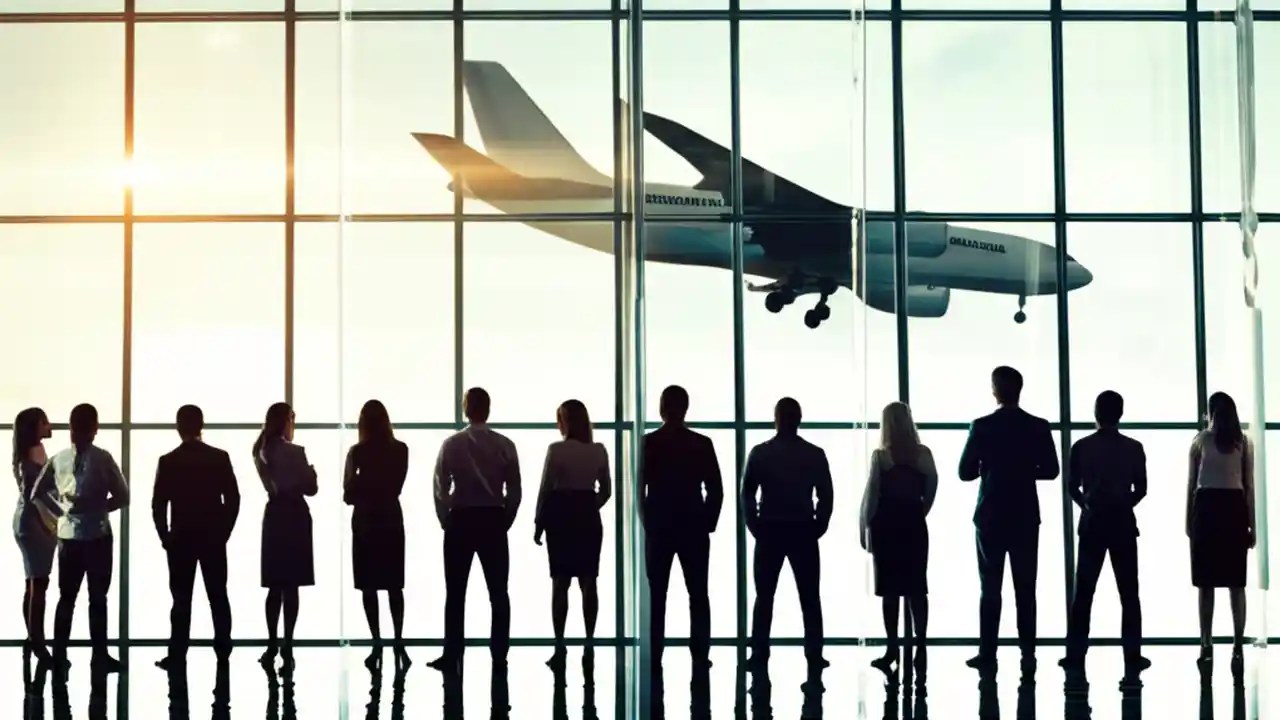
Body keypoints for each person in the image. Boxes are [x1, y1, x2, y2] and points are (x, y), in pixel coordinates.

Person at [958, 366, 1059, 673]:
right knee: (1026, 587)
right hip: (1025, 514)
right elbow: (1052, 470)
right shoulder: (1038, 426)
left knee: (990, 587)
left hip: (990, 514)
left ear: (995, 391)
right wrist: (1026, 471)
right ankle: (1028, 652)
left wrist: (987, 469)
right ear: (1019, 389)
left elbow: (965, 472)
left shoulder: (982, 426)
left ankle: (987, 652)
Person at [30, 403, 129, 672]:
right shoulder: (103, 458)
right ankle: (100, 656)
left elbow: (36, 493)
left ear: (71, 428)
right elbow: (123, 496)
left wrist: (60, 514)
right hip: (97, 535)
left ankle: (59, 655)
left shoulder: (59, 459)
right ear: (95, 429)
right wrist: (98, 507)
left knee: (67, 598)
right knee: (98, 599)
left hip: (68, 537)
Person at [1060, 391, 1150, 679]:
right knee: (1129, 594)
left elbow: (1072, 487)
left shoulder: (1081, 447)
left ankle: (1075, 655)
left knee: (1084, 593)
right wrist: (1124, 502)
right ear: (1120, 414)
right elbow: (1142, 489)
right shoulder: (1134, 448)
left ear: (1095, 413)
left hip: (1092, 525)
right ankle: (1132, 656)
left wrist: (1087, 504)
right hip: (1122, 523)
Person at [431, 387, 522, 672]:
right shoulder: (505, 444)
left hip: (461, 519)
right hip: (492, 519)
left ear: (465, 409)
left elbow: (440, 486)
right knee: (498, 591)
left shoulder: (451, 444)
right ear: (488, 408)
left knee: (455, 591)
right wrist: (506, 517)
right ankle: (499, 653)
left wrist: (445, 517)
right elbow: (515, 488)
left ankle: (453, 652)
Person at [742, 397, 832, 670]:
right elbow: (826, 494)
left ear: (776, 419)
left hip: (769, 528)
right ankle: (814, 655)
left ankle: (759, 654)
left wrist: (754, 525)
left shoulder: (760, 452)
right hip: (803, 529)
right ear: (799, 419)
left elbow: (747, 492)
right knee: (809, 598)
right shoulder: (814, 453)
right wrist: (819, 524)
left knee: (764, 597)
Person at [640, 385, 723, 671]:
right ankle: (700, 654)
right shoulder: (701, 443)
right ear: (685, 408)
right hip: (693, 525)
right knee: (698, 593)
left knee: (656, 594)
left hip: (660, 526)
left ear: (661, 408)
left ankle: (655, 653)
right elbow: (716, 489)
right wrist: (707, 522)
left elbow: (639, 490)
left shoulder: (648, 443)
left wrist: (647, 522)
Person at [152, 404, 241, 669]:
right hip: (212, 536)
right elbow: (233, 498)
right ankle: (223, 650)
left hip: (180, 538)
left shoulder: (168, 461)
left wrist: (165, 537)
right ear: (201, 425)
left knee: (181, 600)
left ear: (179, 427)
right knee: (218, 595)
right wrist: (224, 531)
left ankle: (177, 653)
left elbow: (158, 504)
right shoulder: (218, 457)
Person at [859, 401, 937, 678]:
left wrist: (864, 528)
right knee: (917, 587)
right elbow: (931, 489)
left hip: (887, 525)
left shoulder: (881, 456)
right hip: (914, 523)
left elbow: (872, 496)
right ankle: (921, 645)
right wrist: (918, 511)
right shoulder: (923, 454)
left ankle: (892, 648)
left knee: (889, 591)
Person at [534, 399, 612, 668]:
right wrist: (589, 505)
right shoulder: (599, 450)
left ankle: (560, 645)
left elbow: (545, 489)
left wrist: (539, 522)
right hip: (588, 517)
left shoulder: (556, 449)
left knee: (560, 583)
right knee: (589, 582)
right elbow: (606, 490)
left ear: (564, 422)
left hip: (561, 516)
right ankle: (589, 644)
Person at [1187, 391, 1255, 672]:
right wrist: (1252, 524)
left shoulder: (1200, 441)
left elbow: (1192, 484)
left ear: (1210, 412)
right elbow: (1248, 486)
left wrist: (1188, 520)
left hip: (1207, 509)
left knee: (1206, 584)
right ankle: (1238, 645)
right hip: (1233, 510)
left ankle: (1206, 643)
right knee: (1236, 583)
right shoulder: (1243, 442)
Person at [343, 399, 410, 672]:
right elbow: (397, 486)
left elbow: (347, 494)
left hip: (366, 519)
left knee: (368, 585)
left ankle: (377, 642)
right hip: (391, 518)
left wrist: (362, 483)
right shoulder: (401, 450)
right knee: (394, 584)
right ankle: (397, 640)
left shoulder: (357, 452)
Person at [253, 401, 317, 672]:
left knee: (274, 585)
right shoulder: (295, 452)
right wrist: (311, 473)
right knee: (292, 585)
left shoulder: (260, 451)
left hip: (275, 515)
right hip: (296, 515)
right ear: (286, 420)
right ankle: (288, 647)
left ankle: (271, 644)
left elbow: (274, 486)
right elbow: (311, 488)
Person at [12, 407, 57, 665]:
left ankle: (32, 638)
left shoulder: (20, 454)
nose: (49, 426)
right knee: (39, 584)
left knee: (32, 582)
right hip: (36, 521)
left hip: (23, 519)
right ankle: (39, 645)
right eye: (44, 422)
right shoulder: (37, 451)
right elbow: (40, 493)